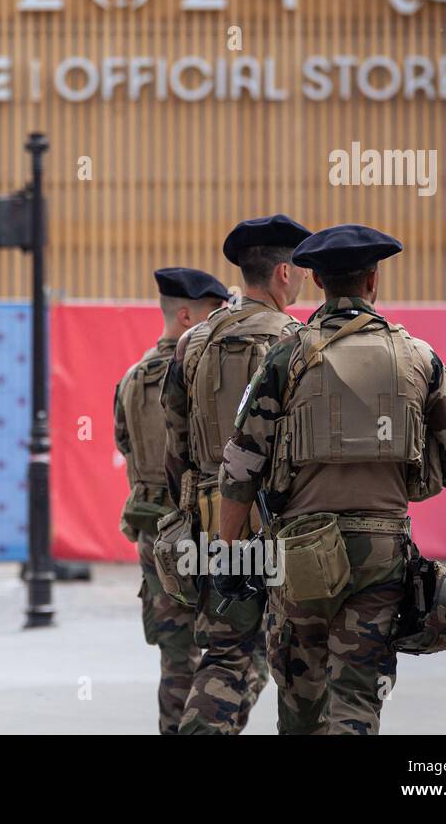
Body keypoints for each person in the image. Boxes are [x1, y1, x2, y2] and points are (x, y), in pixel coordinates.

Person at [216, 224, 446, 734]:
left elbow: (242, 466)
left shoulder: (285, 357)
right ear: (373, 281)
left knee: (301, 706)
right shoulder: (419, 359)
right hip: (381, 556)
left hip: (299, 555)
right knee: (358, 701)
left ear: (315, 279)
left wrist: (229, 554)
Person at [160, 213, 312, 734]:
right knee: (295, 659)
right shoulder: (297, 342)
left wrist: (190, 507)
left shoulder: (192, 343)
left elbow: (174, 441)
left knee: (223, 655)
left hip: (209, 523)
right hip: (275, 524)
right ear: (284, 274)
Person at [113, 267, 226, 734]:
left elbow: (125, 444)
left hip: (151, 534)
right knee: (238, 653)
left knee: (177, 659)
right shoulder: (202, 374)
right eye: (212, 315)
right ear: (186, 315)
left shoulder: (132, 379)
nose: (219, 324)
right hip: (199, 529)